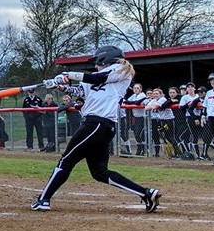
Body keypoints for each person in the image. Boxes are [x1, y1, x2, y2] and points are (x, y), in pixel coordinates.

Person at [31, 46, 161, 213]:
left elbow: (97, 78)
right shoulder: (94, 78)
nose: (96, 66)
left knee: (66, 161)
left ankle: (43, 199)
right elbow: (80, 90)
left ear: (105, 60)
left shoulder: (121, 69)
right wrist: (59, 86)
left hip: (97, 124)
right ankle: (146, 194)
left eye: (97, 62)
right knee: (99, 172)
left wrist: (68, 74)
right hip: (99, 126)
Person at [123, 83, 148, 156]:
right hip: (136, 117)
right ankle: (140, 149)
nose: (136, 89)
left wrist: (130, 102)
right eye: (134, 88)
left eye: (137, 88)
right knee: (136, 134)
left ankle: (143, 149)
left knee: (138, 134)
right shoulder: (134, 95)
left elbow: (137, 103)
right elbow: (126, 101)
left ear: (141, 89)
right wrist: (130, 102)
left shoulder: (142, 95)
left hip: (142, 117)